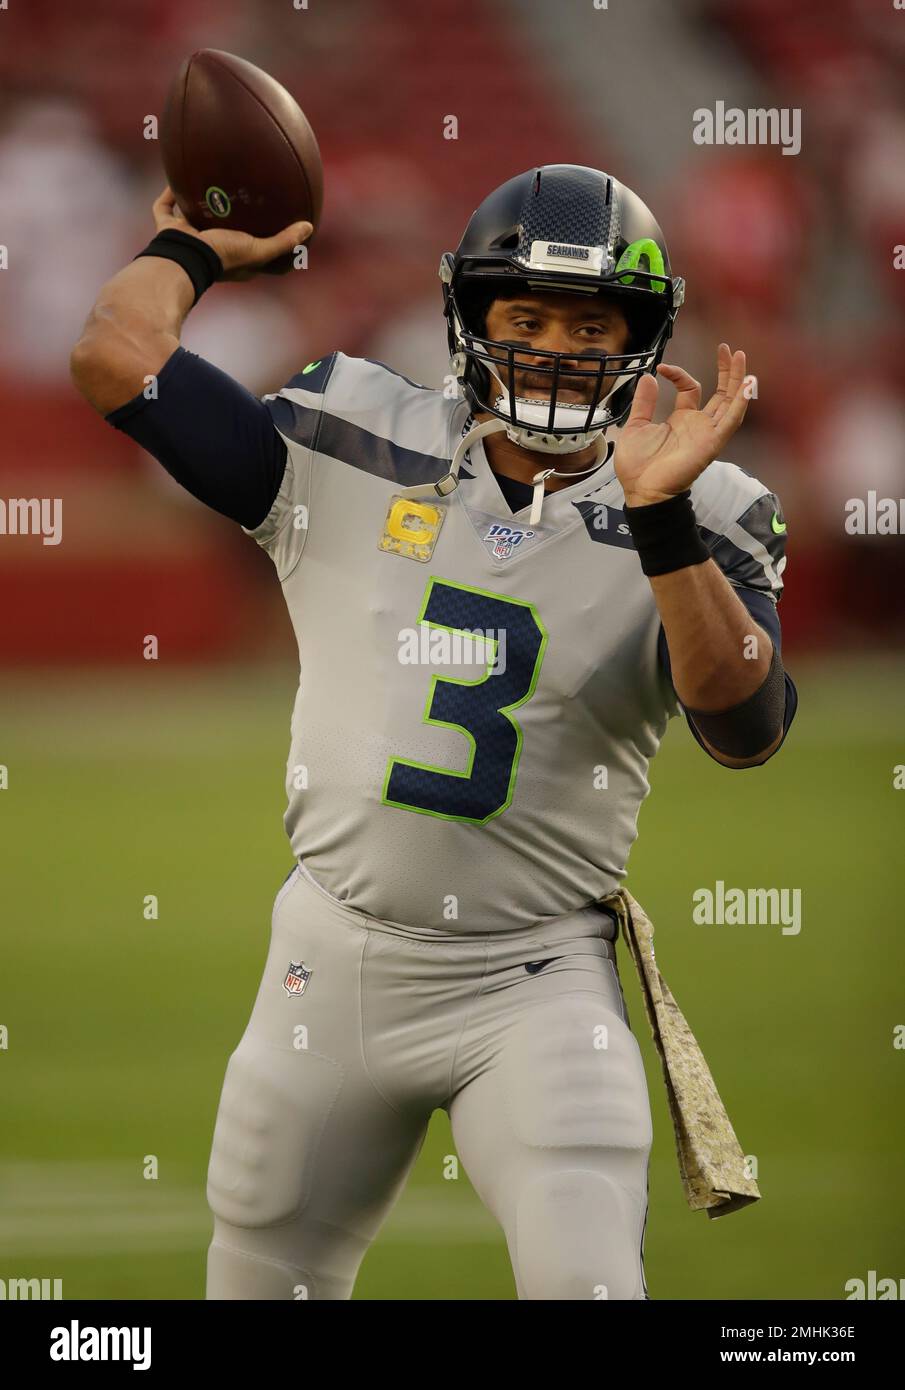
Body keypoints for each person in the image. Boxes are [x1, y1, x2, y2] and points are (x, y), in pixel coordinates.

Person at [71, 163, 797, 1300]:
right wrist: (194, 253)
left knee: (585, 1282)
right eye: (528, 316)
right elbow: (116, 360)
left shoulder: (704, 508)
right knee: (261, 1281)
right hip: (333, 954)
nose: (557, 347)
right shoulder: (350, 432)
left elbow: (743, 724)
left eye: (590, 321)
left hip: (534, 977)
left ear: (641, 338)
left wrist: (657, 524)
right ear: (469, 319)